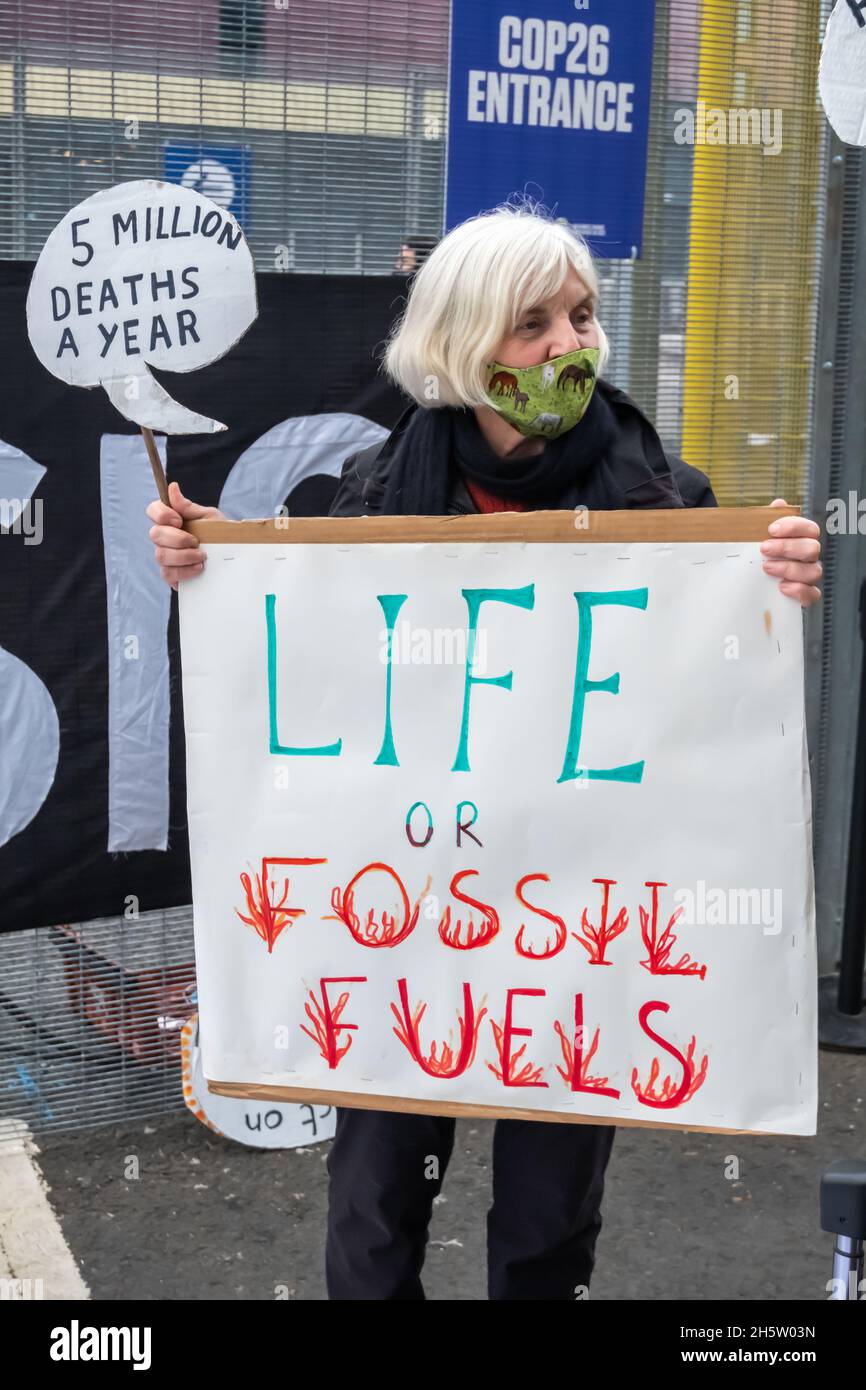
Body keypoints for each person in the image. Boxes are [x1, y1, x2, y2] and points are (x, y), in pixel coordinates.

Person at [146, 204, 822, 1299]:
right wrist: (208, 562)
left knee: (550, 1223)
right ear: (462, 346)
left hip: (578, 939)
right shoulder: (373, 507)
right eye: (531, 323)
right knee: (372, 1212)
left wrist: (773, 577)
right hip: (405, 922)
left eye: (580, 314)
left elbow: (712, 692)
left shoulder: (669, 506)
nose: (570, 343)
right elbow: (313, 670)